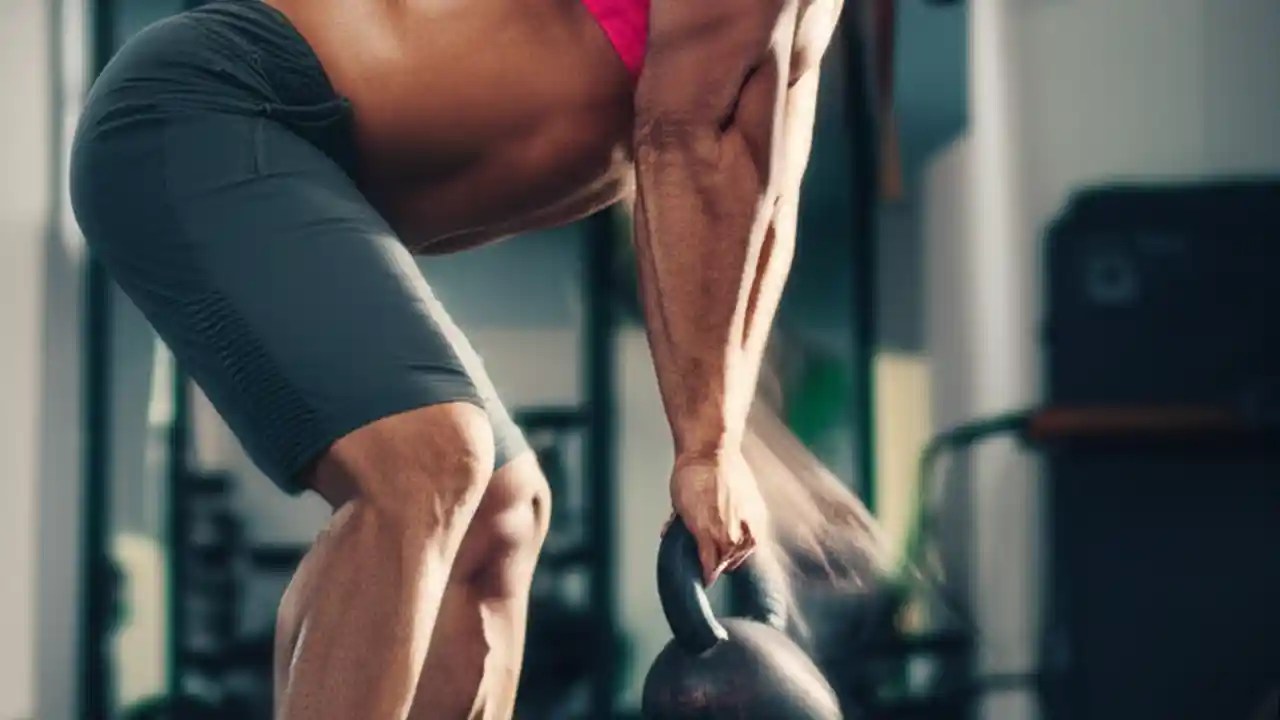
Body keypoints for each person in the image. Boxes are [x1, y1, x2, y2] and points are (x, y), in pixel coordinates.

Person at [70, 0, 849, 717]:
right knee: (430, 462)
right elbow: (689, 138)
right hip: (219, 106)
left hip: (303, 164)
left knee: (498, 521)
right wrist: (704, 445)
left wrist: (724, 438)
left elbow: (763, 198)